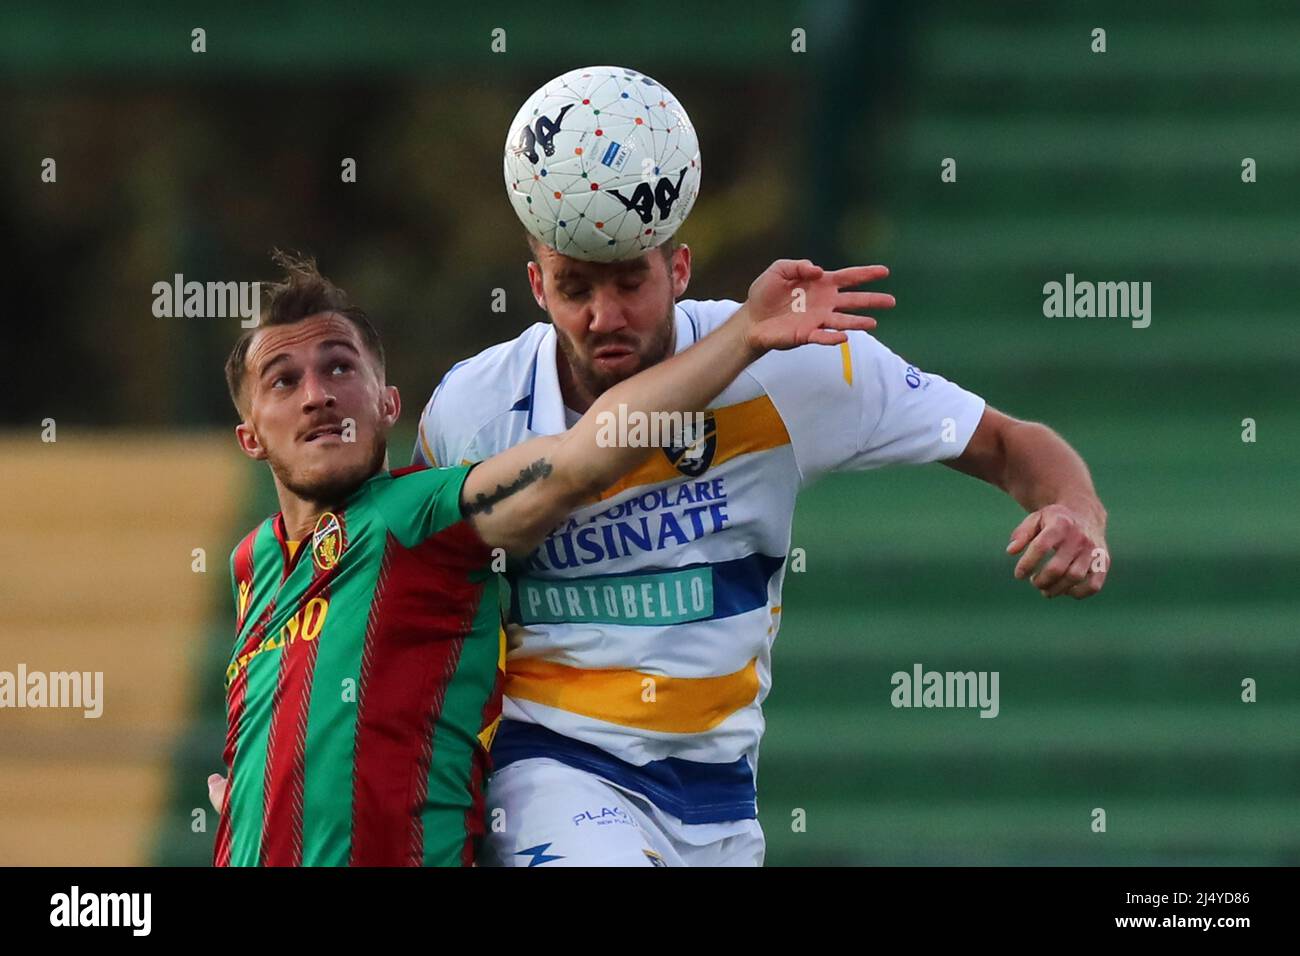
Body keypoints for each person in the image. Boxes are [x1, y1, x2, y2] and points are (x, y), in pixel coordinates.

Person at [412, 236, 1110, 866]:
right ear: (536, 285)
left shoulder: (793, 361)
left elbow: (1008, 442)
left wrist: (1075, 510)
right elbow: (412, 593)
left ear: (679, 267)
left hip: (720, 795)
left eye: (630, 283)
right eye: (575, 289)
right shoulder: (470, 409)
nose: (606, 316)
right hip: (550, 767)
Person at [211, 249, 885, 865]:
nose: (317, 394)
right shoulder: (253, 562)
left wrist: (743, 335)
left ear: (390, 405)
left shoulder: (427, 517)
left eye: (338, 366)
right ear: (249, 437)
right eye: (282, 380)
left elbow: (577, 461)